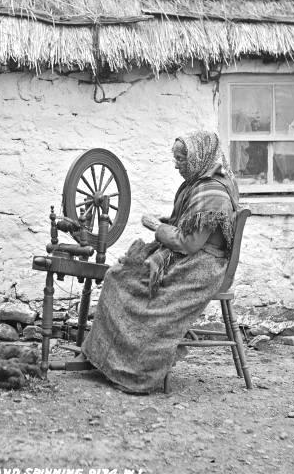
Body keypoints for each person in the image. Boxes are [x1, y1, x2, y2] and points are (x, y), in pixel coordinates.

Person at [81, 130, 239, 394]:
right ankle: (109, 359)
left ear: (199, 157)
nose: (176, 164)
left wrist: (156, 226)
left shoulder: (212, 193)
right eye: (175, 158)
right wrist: (166, 225)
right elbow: (186, 230)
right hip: (193, 259)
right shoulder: (200, 183)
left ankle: (134, 370)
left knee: (125, 282)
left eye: (181, 159)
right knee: (121, 273)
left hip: (201, 268)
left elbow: (188, 242)